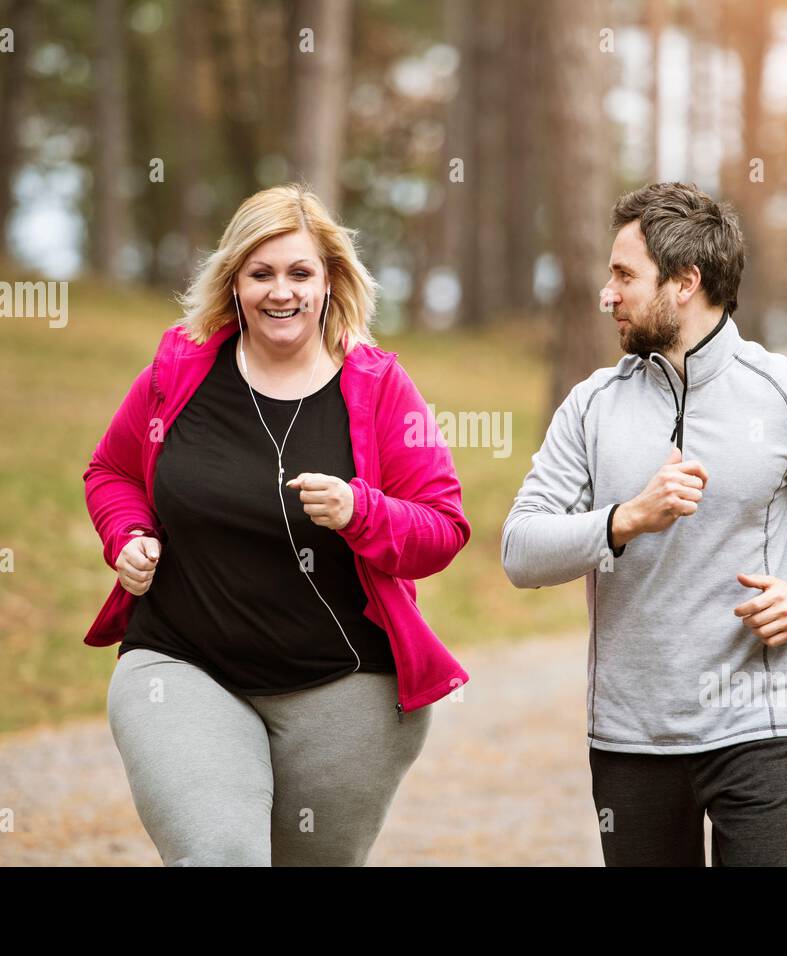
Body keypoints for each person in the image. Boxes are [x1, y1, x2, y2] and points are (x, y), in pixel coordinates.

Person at [501, 181, 787, 866]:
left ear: (685, 281)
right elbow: (520, 551)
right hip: (629, 738)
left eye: (624, 275)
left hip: (760, 728)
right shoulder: (592, 405)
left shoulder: (785, 396)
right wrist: (626, 519)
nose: (608, 294)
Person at [82, 183, 471, 866]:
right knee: (220, 854)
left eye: (300, 273)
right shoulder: (181, 369)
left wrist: (362, 511)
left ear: (330, 282)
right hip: (182, 662)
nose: (280, 292)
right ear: (234, 282)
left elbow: (442, 527)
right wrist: (128, 536)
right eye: (261, 274)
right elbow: (110, 472)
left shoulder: (379, 388)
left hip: (346, 688)